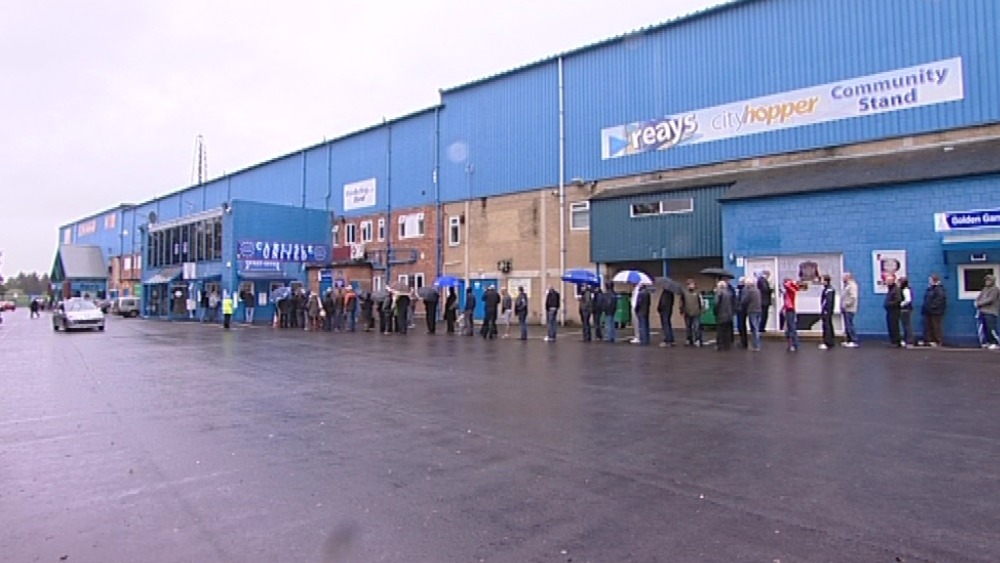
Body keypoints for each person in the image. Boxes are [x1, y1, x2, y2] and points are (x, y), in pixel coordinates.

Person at [975, 274, 999, 349]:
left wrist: (979, 303)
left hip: (991, 312)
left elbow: (990, 299)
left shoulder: (995, 289)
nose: (987, 282)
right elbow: (979, 297)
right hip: (983, 311)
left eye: (989, 280)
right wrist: (976, 302)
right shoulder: (984, 289)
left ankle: (995, 342)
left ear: (992, 281)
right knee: (984, 328)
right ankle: (987, 342)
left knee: (991, 328)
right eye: (986, 280)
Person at [921, 274, 946, 347]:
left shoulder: (939, 289)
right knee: (929, 326)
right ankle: (930, 340)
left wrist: (931, 307)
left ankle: (938, 341)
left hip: (935, 312)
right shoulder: (931, 289)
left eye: (930, 280)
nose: (929, 281)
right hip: (930, 311)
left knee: (936, 326)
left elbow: (939, 300)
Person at [740, 276, 763, 351]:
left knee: (754, 328)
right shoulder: (757, 290)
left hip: (752, 310)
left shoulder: (750, 291)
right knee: (756, 327)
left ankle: (756, 345)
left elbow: (744, 301)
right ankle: (757, 344)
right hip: (759, 310)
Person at [680, 280, 704, 347]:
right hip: (687, 312)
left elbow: (701, 302)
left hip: (696, 312)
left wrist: (702, 309)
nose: (691, 286)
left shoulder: (698, 292)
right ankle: (689, 339)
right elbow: (682, 302)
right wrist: (681, 310)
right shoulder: (684, 293)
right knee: (688, 327)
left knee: (697, 327)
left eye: (692, 284)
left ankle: (698, 340)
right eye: (690, 284)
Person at [713, 280, 734, 351]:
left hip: (721, 314)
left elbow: (716, 304)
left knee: (720, 331)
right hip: (729, 314)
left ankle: (720, 345)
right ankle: (727, 345)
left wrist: (715, 312)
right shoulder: (729, 293)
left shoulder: (719, 293)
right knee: (727, 331)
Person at [782, 277, 802, 352]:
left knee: (792, 327)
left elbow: (788, 286)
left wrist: (791, 282)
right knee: (789, 328)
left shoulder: (791, 290)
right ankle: (790, 344)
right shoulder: (788, 291)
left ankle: (794, 344)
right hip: (788, 309)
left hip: (790, 309)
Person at [883, 274, 903, 347]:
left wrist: (889, 304)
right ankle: (893, 340)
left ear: (891, 281)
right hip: (890, 310)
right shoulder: (891, 289)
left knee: (894, 326)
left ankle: (896, 341)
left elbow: (898, 300)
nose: (886, 282)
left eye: (888, 281)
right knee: (891, 326)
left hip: (894, 311)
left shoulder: (896, 289)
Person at [841, 272, 860, 348]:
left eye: (844, 277)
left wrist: (847, 304)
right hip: (846, 309)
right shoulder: (847, 286)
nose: (842, 279)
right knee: (847, 325)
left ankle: (853, 340)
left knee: (850, 324)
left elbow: (853, 297)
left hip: (849, 309)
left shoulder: (852, 286)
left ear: (847, 277)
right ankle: (848, 340)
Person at [819, 274, 836, 350]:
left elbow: (828, 301)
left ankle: (827, 342)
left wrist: (825, 310)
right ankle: (831, 341)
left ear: (826, 281)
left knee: (826, 326)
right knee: (828, 324)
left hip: (827, 310)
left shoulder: (829, 290)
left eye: (822, 280)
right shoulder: (827, 289)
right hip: (827, 310)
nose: (821, 281)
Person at [899, 277, 915, 348]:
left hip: (905, 309)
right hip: (906, 309)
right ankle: (907, 340)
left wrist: (901, 304)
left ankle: (909, 341)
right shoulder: (906, 289)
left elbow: (908, 300)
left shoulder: (905, 290)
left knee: (907, 325)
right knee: (906, 325)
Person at [735, 277, 749, 349]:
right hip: (740, 309)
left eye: (740, 281)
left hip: (742, 310)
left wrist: (739, 306)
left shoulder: (744, 289)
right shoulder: (739, 289)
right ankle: (742, 342)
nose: (739, 282)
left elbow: (743, 300)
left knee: (742, 326)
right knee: (740, 326)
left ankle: (744, 343)